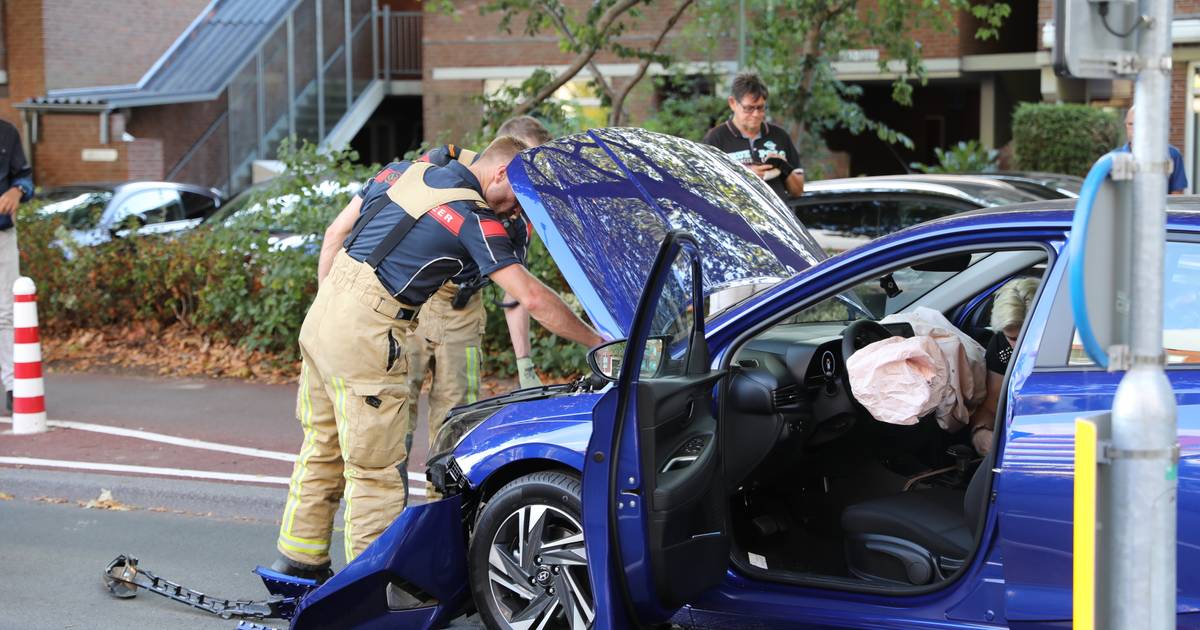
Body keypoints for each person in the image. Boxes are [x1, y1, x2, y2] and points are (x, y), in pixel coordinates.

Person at [274, 136, 603, 581]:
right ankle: (373, 591)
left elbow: (336, 233)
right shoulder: (473, 216)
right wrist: (595, 339)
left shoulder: (402, 170)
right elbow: (530, 297)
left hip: (322, 319)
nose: (518, 212)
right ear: (501, 172)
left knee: (321, 447)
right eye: (519, 197)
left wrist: (329, 310)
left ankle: (296, 566)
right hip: (370, 331)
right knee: (375, 470)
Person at [405, 117, 553, 501]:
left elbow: (518, 292)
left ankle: (441, 513)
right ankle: (387, 520)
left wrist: (525, 365)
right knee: (393, 413)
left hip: (465, 309)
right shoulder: (447, 176)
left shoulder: (517, 214)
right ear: (502, 151)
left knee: (455, 422)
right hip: (416, 306)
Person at [703, 72, 804, 200]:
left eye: (761, 107)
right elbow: (707, 189)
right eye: (749, 108)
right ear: (732, 103)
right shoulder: (716, 138)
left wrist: (784, 166)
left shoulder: (780, 136)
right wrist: (743, 174)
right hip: (737, 217)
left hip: (775, 217)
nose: (756, 114)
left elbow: (798, 191)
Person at [968, 277, 1039, 455]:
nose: (1019, 346)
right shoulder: (1001, 346)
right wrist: (981, 433)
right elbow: (991, 406)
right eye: (1012, 338)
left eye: (1028, 335)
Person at [0, 120, 34, 415]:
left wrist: (17, 191)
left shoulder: (7, 133)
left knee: (7, 311)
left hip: (2, 236)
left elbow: (25, 177)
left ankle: (13, 385)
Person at [1119, 106, 1188, 194]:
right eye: (1130, 124)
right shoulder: (1115, 158)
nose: (1134, 129)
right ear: (1125, 125)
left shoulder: (1172, 155)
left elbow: (1177, 196)